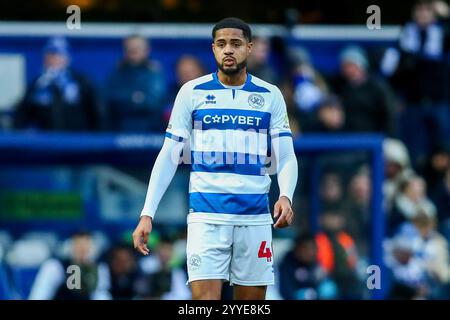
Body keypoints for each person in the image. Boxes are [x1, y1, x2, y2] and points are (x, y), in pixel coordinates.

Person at [132, 17, 298, 300]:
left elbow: (285, 155)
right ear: (213, 49)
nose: (228, 50)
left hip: (255, 218)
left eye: (235, 44)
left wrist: (286, 195)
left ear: (249, 47)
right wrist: (147, 213)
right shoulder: (191, 92)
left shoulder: (270, 95)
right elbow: (169, 156)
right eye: (221, 44)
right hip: (206, 219)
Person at [15, 37, 99, 131]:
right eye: (50, 55)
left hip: (76, 140)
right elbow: (22, 113)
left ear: (67, 58)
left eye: (58, 55)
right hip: (45, 140)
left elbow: (95, 112)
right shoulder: (38, 84)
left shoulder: (81, 82)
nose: (53, 60)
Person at [104, 34, 167, 132]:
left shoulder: (154, 73)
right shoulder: (117, 73)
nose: (133, 51)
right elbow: (111, 97)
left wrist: (129, 100)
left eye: (137, 48)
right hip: (120, 128)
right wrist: (134, 97)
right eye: (129, 48)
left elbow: (154, 102)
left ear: (147, 50)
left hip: (151, 129)